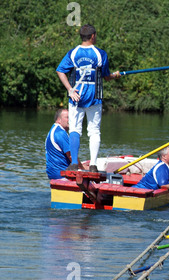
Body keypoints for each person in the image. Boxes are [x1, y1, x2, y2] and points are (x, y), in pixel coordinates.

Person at [56, 24, 121, 172]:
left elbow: (60, 71)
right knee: (94, 131)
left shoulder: (73, 53)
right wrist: (115, 76)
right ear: (92, 36)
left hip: (76, 97)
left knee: (74, 130)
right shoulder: (100, 54)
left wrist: (70, 89)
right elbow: (106, 76)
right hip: (94, 96)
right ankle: (93, 165)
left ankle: (73, 164)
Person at [45, 109, 85, 179]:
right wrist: (83, 168)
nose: (70, 120)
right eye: (67, 117)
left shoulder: (54, 129)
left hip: (53, 173)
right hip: (61, 174)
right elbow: (71, 156)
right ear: (58, 120)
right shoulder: (60, 133)